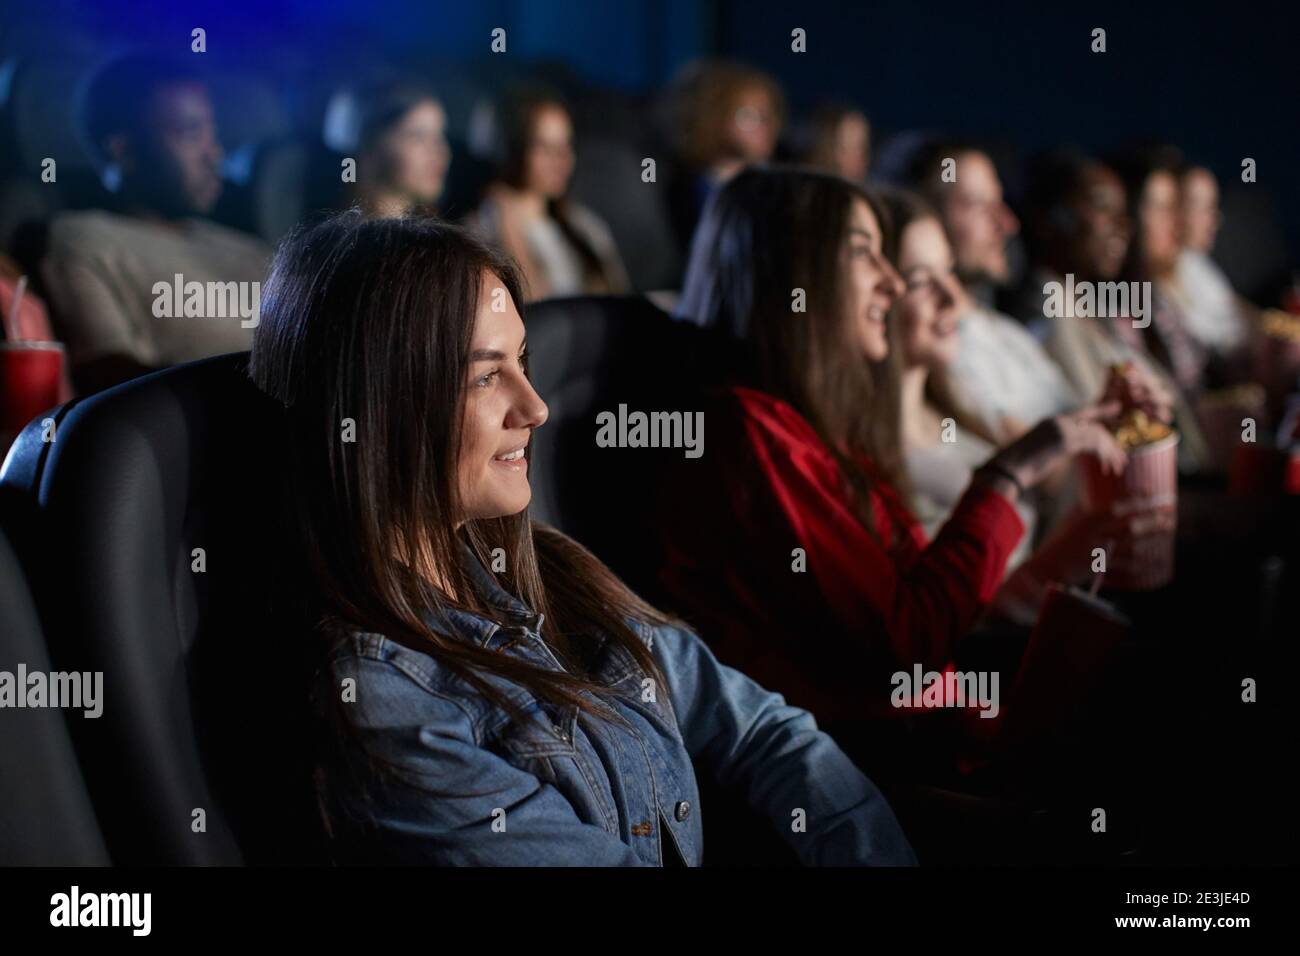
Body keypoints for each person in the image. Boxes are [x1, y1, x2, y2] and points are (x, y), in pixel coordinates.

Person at [247, 211, 915, 867]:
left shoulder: (552, 569)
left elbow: (763, 733)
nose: (535, 405)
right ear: (379, 410)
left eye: (521, 361)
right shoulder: (382, 699)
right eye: (485, 376)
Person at [658, 167, 1169, 769]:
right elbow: (907, 646)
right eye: (863, 255)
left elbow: (928, 624)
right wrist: (1006, 476)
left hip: (939, 728)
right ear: (793, 275)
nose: (892, 282)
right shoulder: (749, 432)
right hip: (881, 767)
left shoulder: (817, 431)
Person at [880, 188, 1165, 624]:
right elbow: (943, 630)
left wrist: (1112, 424)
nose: (953, 297)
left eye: (950, 272)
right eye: (920, 281)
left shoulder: (963, 411)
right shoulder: (877, 457)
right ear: (873, 298)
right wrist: (1069, 555)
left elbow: (1053, 504)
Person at [40, 53, 271, 393]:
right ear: (124, 152)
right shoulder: (82, 240)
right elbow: (107, 379)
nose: (214, 154)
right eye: (190, 134)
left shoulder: (249, 249)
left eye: (212, 133)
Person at [907, 141, 1077, 444]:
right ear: (928, 217)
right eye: (977, 204)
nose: (1007, 223)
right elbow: (1043, 464)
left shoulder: (1003, 329)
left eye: (999, 202)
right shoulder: (939, 344)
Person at [467, 90, 627, 300]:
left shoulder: (584, 226)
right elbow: (530, 313)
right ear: (515, 150)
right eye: (544, 147)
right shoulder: (483, 230)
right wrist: (510, 230)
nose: (561, 159)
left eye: (565, 145)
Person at [662, 59, 785, 250]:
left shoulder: (777, 187)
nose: (767, 127)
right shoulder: (688, 194)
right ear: (716, 118)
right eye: (751, 116)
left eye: (770, 116)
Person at [330, 81, 451, 219]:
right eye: (418, 136)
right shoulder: (337, 237)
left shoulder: (432, 236)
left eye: (440, 136)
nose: (440, 151)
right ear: (370, 146)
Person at [792, 103, 871, 183]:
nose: (855, 159)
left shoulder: (871, 190)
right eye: (844, 149)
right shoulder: (803, 188)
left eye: (861, 148)